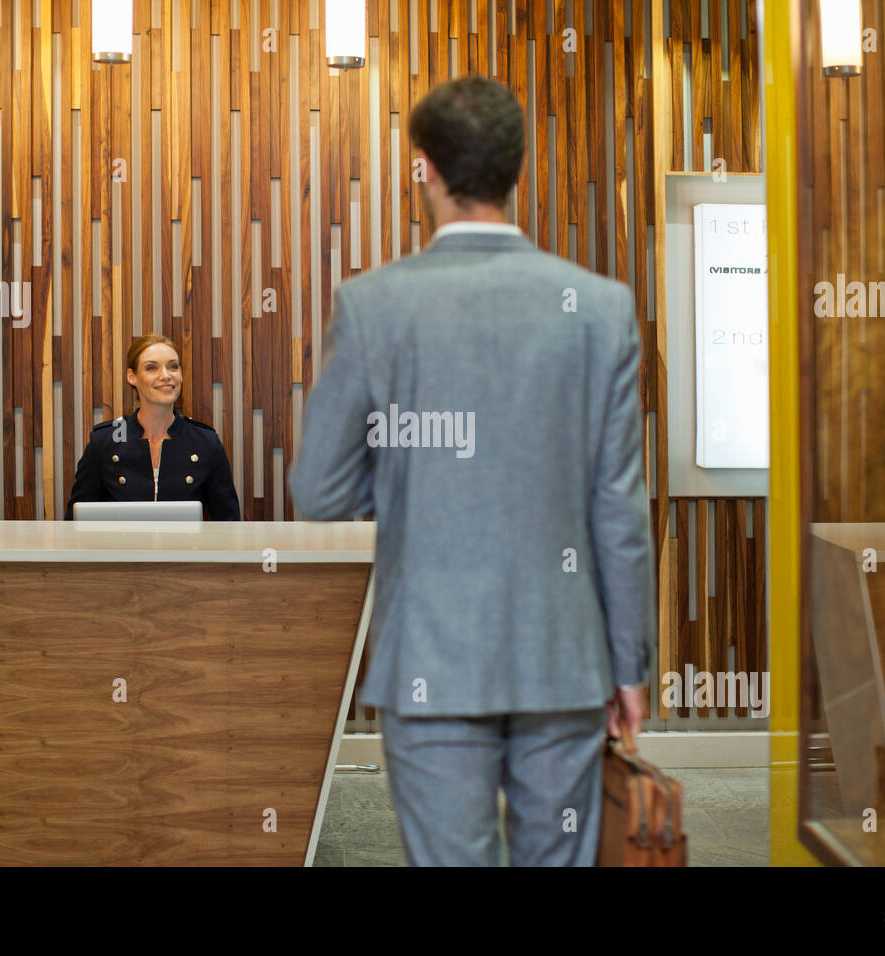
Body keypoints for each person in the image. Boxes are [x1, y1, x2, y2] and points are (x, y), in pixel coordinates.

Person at [288, 76, 656, 866]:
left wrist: (407, 487)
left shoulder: (373, 305)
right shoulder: (598, 308)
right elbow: (618, 508)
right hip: (563, 656)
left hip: (430, 654)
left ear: (423, 167)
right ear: (516, 169)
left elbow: (319, 490)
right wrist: (629, 666)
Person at [65, 334, 241, 520]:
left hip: (184, 548)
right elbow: (75, 521)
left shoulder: (204, 440)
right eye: (151, 367)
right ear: (132, 377)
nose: (165, 375)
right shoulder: (108, 437)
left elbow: (228, 521)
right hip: (122, 548)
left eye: (173, 366)